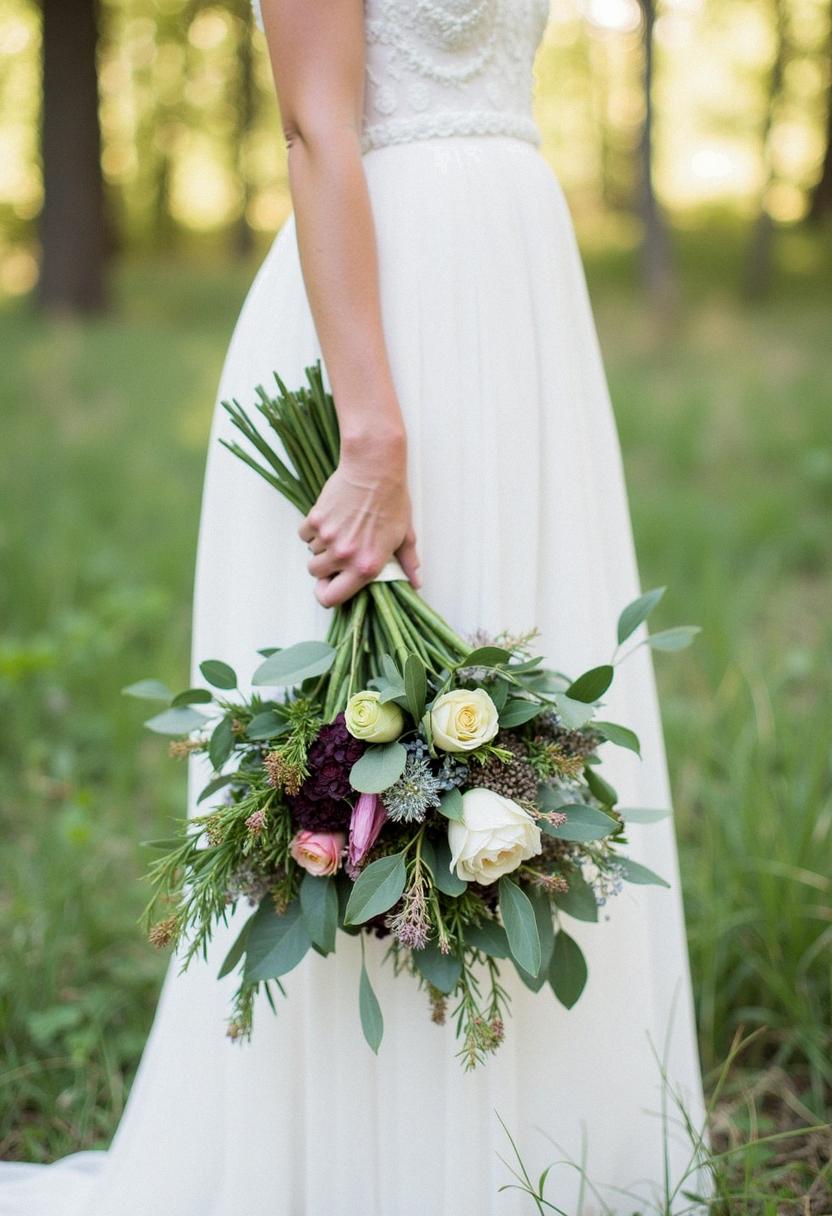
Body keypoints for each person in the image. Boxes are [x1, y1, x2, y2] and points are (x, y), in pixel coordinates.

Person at [0, 1, 709, 1212]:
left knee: (509, 701)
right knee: (374, 745)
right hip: (386, 320)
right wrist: (370, 427)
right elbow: (314, 125)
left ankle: (531, 1146)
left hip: (516, 307)